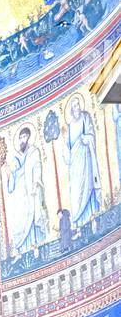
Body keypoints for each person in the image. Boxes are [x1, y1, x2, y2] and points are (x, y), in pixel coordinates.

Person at [6, 126, 49, 258]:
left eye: (24, 137)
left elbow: (37, 166)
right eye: (20, 138)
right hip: (21, 193)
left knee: (35, 214)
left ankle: (36, 245)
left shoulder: (34, 151)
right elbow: (12, 175)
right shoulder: (16, 156)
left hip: (31, 189)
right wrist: (10, 174)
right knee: (22, 217)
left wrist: (36, 181)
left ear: (29, 137)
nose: (22, 140)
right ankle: (23, 250)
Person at [62, 95, 101, 233]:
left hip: (87, 160)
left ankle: (92, 218)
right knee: (77, 193)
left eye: (77, 105)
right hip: (75, 166)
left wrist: (86, 138)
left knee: (88, 186)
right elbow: (66, 151)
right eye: (73, 107)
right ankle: (79, 225)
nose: (76, 108)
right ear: (71, 110)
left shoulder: (86, 117)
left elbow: (91, 134)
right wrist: (65, 141)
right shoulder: (69, 127)